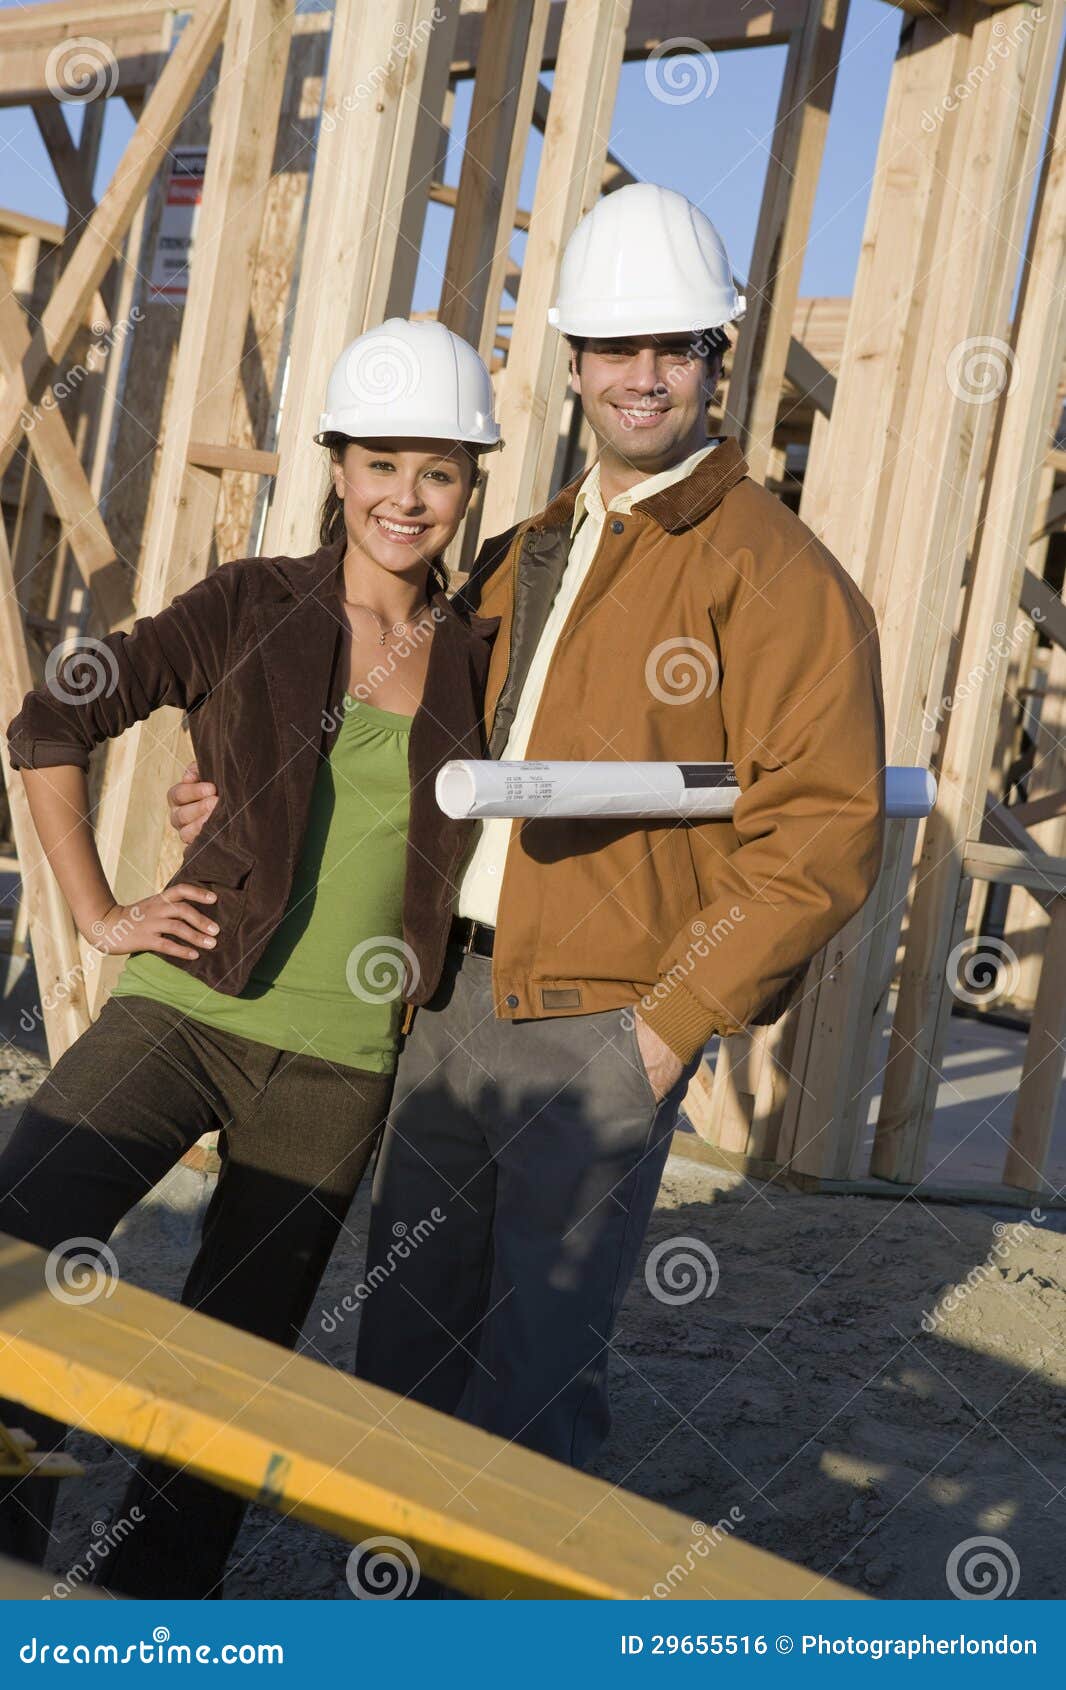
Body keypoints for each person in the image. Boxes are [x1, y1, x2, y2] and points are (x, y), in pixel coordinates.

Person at [168, 184, 888, 1591]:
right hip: (446, 992)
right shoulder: (518, 551)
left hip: (599, 1017)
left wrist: (664, 1029)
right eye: (612, 348)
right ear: (567, 363)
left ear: (713, 361)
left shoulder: (773, 574)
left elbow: (820, 827)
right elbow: (407, 743)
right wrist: (241, 793)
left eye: (669, 348)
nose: (639, 374)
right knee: (408, 1345)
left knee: (535, 1373)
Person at [0, 317, 501, 1598]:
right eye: (382, 462)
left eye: (437, 470)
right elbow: (53, 722)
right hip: (186, 1006)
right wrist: (103, 909)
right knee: (18, 1254)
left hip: (341, 1059)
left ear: (468, 488)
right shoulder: (251, 603)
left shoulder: (484, 662)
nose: (407, 496)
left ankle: (150, 1616)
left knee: (237, 1373)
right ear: (337, 468)